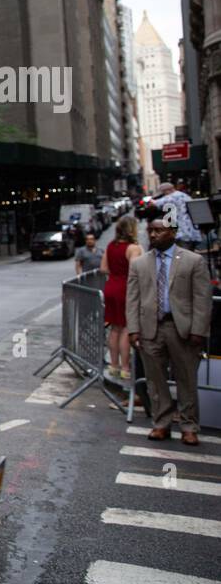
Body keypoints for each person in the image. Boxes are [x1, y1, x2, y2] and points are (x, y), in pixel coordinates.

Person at [126, 217, 212, 446]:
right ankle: (161, 423)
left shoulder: (193, 261)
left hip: (181, 329)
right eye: (151, 231)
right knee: (155, 381)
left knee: (186, 379)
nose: (153, 235)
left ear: (172, 233)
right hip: (150, 330)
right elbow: (132, 299)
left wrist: (198, 330)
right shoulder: (140, 263)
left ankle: (189, 426)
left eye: (159, 231)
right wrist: (133, 329)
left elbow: (202, 299)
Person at [101, 215, 142, 382]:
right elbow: (136, 269)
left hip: (111, 286)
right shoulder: (134, 248)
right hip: (126, 289)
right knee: (126, 328)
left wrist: (116, 274)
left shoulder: (111, 245)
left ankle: (114, 366)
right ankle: (125, 368)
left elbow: (103, 268)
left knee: (114, 328)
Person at [149, 181, 202, 250]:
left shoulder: (172, 197)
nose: (164, 195)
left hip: (182, 233)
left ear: (167, 191)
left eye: (164, 193)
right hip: (192, 232)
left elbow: (153, 203)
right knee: (190, 255)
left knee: (182, 256)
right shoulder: (185, 196)